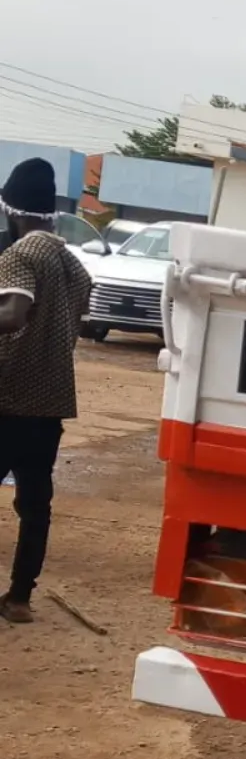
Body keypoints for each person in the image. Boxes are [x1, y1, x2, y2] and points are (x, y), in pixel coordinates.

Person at [0, 158, 93, 623]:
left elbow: (15, 314)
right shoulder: (73, 264)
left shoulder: (19, 255)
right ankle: (19, 598)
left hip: (7, 397)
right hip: (49, 404)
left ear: (10, 209)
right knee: (36, 504)